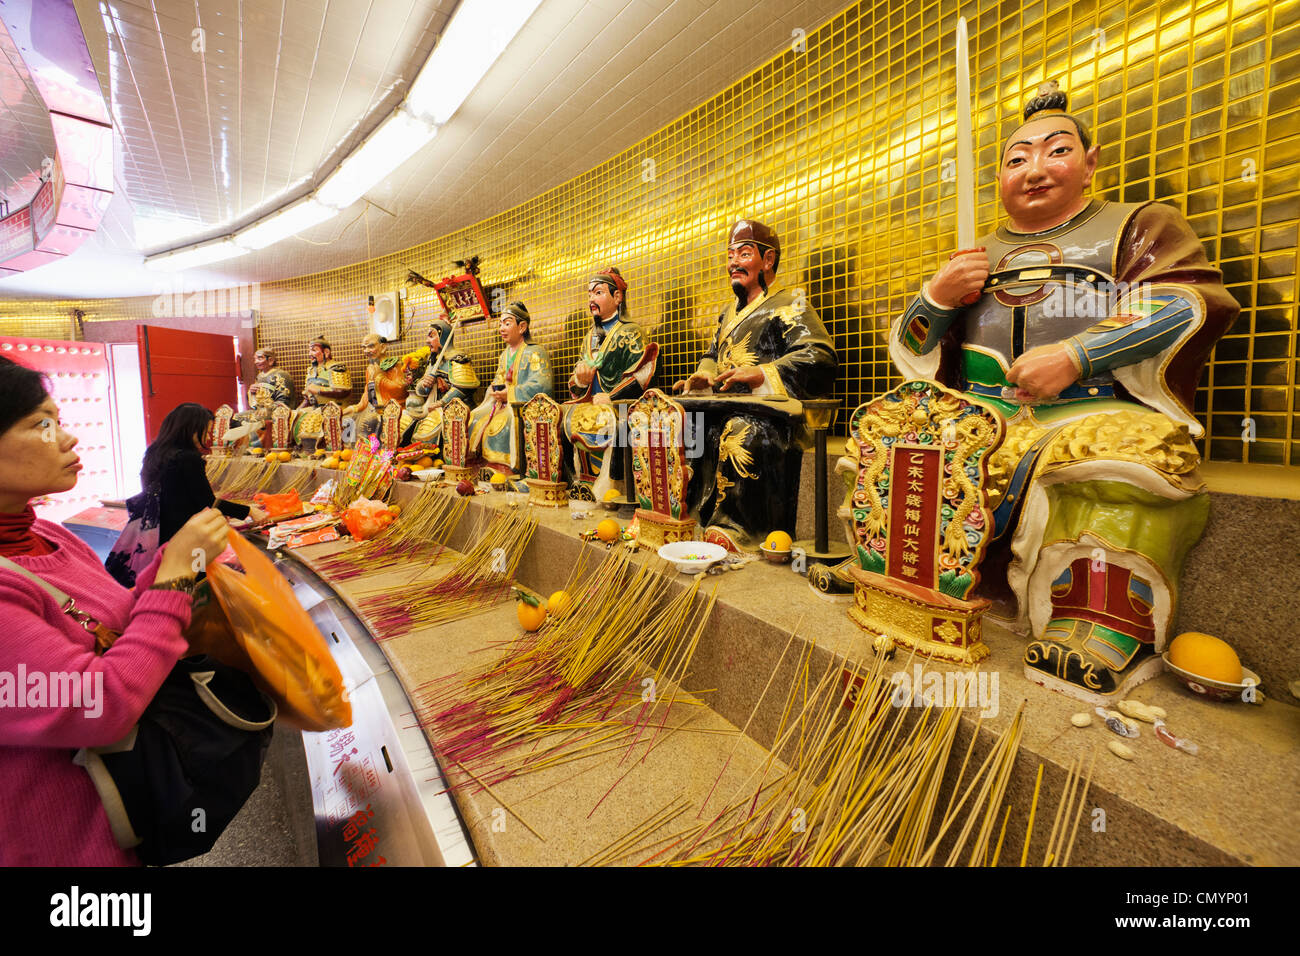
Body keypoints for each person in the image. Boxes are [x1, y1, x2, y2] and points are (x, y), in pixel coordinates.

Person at [823, 83, 1238, 699]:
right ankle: (892, 573)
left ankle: (1096, 620)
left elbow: (1187, 299)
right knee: (883, 444)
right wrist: (936, 296)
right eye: (1017, 159)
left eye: (1056, 151)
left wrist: (1079, 354)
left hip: (1088, 404)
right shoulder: (978, 250)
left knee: (1121, 460)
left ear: (1090, 162)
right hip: (980, 407)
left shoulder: (1136, 226)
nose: (1035, 169)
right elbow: (915, 349)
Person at [0, 356, 230, 865]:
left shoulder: (45, 534)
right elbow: (97, 702)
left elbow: (120, 619)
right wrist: (175, 573)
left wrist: (185, 566)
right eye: (41, 424)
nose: (67, 439)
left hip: (120, 825)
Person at [672, 219, 838, 552]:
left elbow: (819, 356)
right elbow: (711, 354)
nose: (733, 262)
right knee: (680, 423)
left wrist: (763, 373)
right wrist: (703, 376)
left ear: (769, 260)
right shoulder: (726, 312)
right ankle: (685, 513)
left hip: (772, 418)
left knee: (740, 431)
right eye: (731, 255)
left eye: (744, 254)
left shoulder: (791, 305)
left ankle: (736, 526)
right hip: (724, 405)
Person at [563, 267, 649, 499]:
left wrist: (612, 397)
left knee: (618, 423)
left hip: (620, 406)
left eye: (598, 292)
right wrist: (580, 380)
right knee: (559, 416)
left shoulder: (630, 332)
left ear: (617, 297)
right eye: (589, 294)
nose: (591, 299)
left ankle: (612, 489)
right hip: (591, 404)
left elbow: (642, 374)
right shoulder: (589, 336)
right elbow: (577, 377)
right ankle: (575, 482)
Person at [467, 302, 553, 473]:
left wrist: (511, 393)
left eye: (507, 323)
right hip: (500, 404)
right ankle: (477, 464)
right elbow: (499, 378)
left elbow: (543, 385)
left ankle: (502, 468)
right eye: (500, 324)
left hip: (522, 406)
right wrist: (493, 391)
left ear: (522, 327)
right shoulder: (505, 355)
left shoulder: (534, 352)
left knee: (502, 424)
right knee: (473, 417)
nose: (501, 328)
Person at [400, 319, 479, 447]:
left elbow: (463, 388)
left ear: (443, 337)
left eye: (431, 336)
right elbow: (422, 391)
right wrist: (425, 384)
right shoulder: (433, 360)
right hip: (430, 407)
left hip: (452, 408)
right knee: (402, 420)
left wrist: (441, 403)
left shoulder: (457, 359)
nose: (427, 341)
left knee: (425, 433)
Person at [342, 333, 429, 440]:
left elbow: (400, 388)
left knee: (367, 423)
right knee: (346, 420)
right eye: (364, 348)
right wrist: (352, 408)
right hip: (372, 409)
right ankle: (353, 453)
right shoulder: (370, 369)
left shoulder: (393, 365)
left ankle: (372, 452)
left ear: (383, 347)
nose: (366, 351)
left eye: (371, 346)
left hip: (389, 409)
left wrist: (379, 377)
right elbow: (367, 395)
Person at [291, 335, 351, 446]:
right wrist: (296, 411)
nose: (310, 354)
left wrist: (319, 390)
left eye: (314, 350)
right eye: (309, 350)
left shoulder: (336, 367)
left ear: (326, 352)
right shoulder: (310, 371)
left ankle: (317, 449)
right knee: (292, 418)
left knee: (314, 421)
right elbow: (308, 398)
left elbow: (343, 391)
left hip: (334, 408)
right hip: (314, 407)